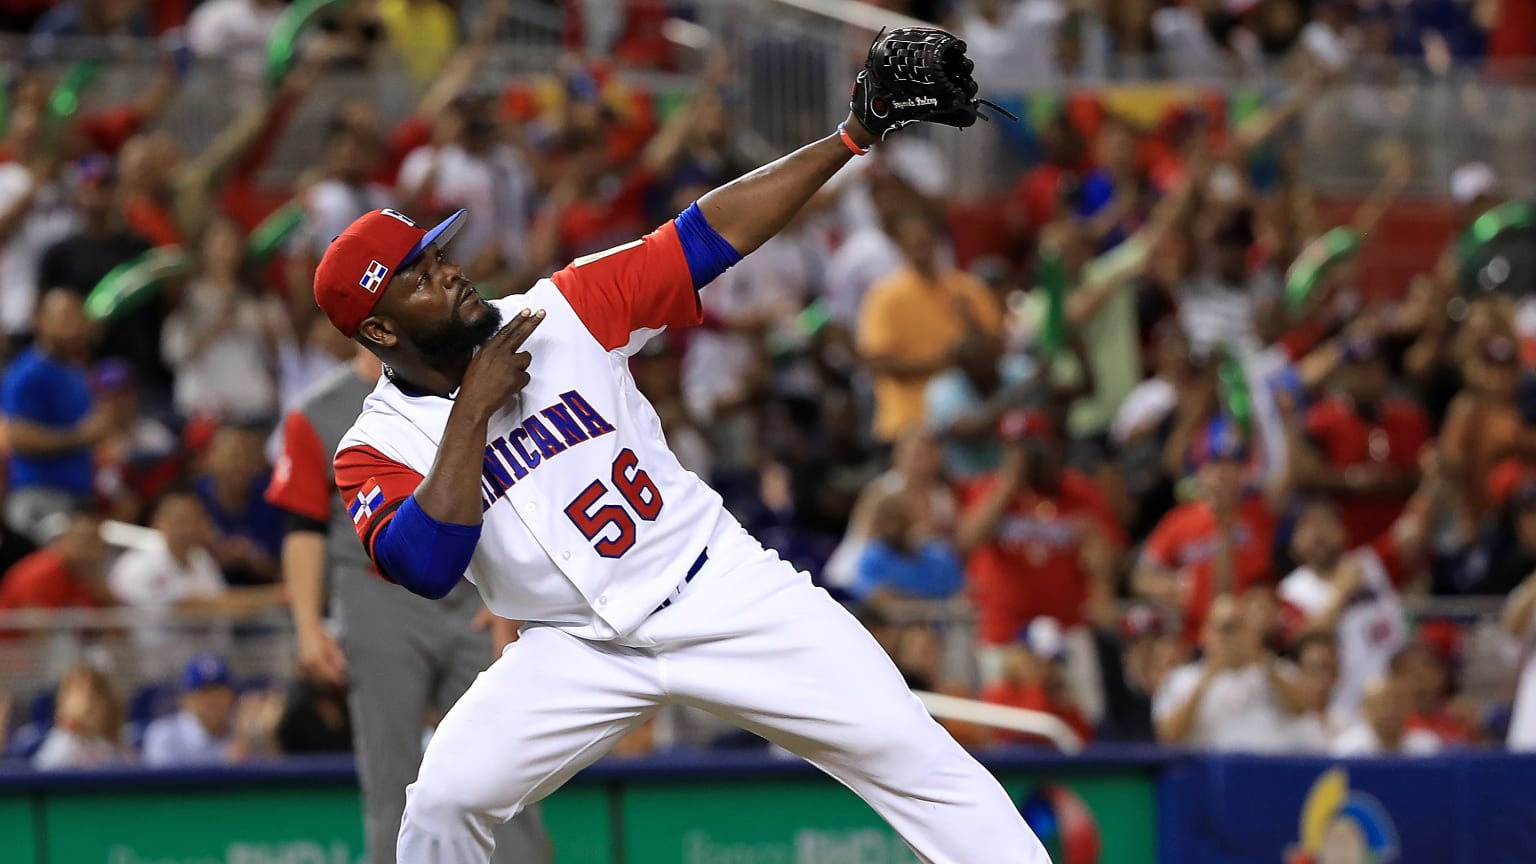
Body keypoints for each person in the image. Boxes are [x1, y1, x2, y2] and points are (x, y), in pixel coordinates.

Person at [312, 35, 1050, 861]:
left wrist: (851, 136)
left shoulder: (559, 309)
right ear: (378, 329)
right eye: (417, 275)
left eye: (437, 254)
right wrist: (474, 410)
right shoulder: (370, 446)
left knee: (914, 755)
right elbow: (426, 565)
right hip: (573, 647)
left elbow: (702, 238)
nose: (446, 272)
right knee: (443, 800)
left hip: (717, 591)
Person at [266, 344, 552, 864]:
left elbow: (511, 489)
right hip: (378, 598)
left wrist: (508, 598)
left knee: (503, 763)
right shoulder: (319, 410)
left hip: (471, 596)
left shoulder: (468, 386)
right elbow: (303, 527)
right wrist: (308, 626)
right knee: (392, 774)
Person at [0, 291, 120, 543]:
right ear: (40, 319)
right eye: (63, 317)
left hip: (79, 495)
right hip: (40, 496)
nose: (72, 326)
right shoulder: (26, 373)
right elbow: (17, 436)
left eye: (77, 318)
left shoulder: (76, 371)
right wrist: (81, 436)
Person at [1153, 592, 1301, 752]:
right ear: (1205, 634)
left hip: (1269, 768)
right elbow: (1168, 735)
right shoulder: (1182, 678)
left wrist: (1265, 665)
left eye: (1238, 627)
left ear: (1252, 632)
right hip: (1212, 772)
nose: (1230, 637)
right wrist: (1207, 677)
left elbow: (1305, 711)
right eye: (1224, 628)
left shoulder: (1277, 669)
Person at [141, 653, 282, 767]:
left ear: (231, 696)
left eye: (219, 691)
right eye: (203, 692)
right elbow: (164, 789)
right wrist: (227, 764)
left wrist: (265, 736)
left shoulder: (245, 730)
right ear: (186, 700)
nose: (212, 700)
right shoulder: (163, 734)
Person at [32, 663, 132, 770]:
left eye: (94, 695)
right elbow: (45, 776)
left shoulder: (118, 744)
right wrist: (71, 723)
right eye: (77, 692)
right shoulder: (61, 741)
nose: (85, 702)